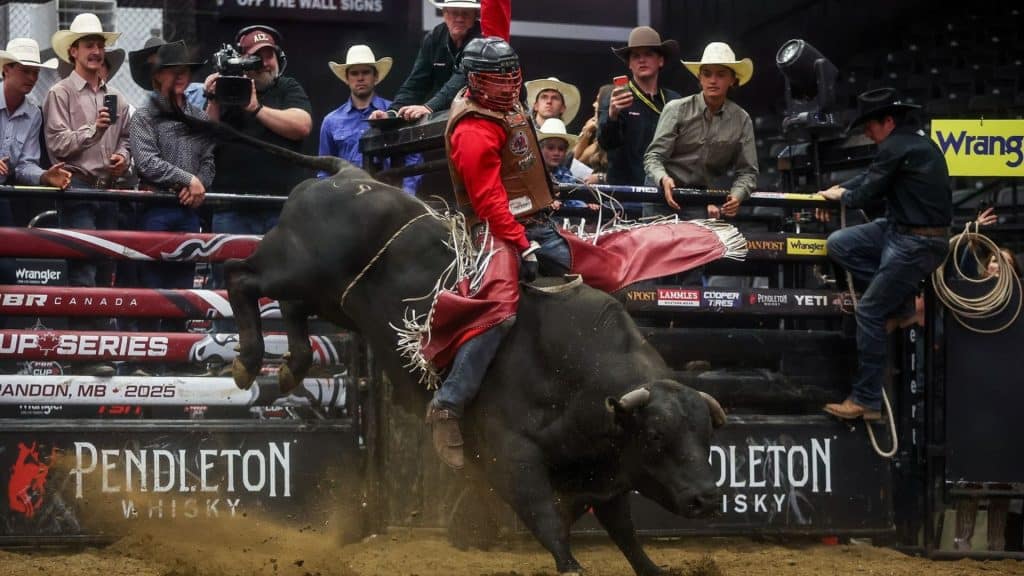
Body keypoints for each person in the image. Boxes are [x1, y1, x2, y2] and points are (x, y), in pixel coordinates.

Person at [428, 34, 569, 470]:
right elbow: (489, 202)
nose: (509, 83)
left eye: (511, 73)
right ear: (474, 79)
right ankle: (448, 405)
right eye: (497, 76)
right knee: (500, 310)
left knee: (581, 269)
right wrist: (522, 243)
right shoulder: (473, 127)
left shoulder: (503, 106)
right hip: (495, 229)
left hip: (535, 220)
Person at [819, 88, 952, 420]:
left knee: (869, 311)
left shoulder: (895, 147)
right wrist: (843, 190)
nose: (867, 132)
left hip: (916, 242)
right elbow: (870, 178)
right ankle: (903, 304)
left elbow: (868, 191)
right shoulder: (916, 144)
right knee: (840, 243)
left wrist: (840, 197)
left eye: (871, 125)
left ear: (888, 121)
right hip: (901, 232)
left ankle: (866, 400)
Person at [44, 13, 131, 375]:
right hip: (77, 186)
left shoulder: (117, 97)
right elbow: (57, 144)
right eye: (89, 45)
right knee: (83, 275)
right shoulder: (59, 93)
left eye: (100, 45)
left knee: (105, 272)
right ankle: (84, 355)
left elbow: (127, 137)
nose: (96, 51)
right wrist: (92, 133)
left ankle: (99, 351)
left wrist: (122, 159)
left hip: (106, 189)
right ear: (73, 51)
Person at [127, 39, 212, 333]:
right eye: (171, 70)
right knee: (152, 286)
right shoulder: (143, 116)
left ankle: (179, 355)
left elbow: (209, 162)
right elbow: (147, 163)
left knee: (182, 289)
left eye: (184, 71)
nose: (180, 77)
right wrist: (189, 180)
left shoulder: (200, 117)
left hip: (188, 210)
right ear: (156, 76)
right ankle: (147, 359)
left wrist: (199, 185)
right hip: (155, 209)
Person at [204, 24, 313, 234]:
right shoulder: (226, 87)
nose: (264, 63)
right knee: (231, 267)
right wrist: (213, 99)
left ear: (278, 59)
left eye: (269, 55)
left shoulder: (287, 87)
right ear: (242, 60)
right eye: (256, 57)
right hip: (231, 208)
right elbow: (204, 140)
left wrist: (256, 109)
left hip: (282, 208)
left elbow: (302, 125)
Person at [645, 41, 758, 219]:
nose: (713, 80)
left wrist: (737, 195)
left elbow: (748, 171)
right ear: (700, 78)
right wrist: (663, 178)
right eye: (707, 74)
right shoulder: (676, 109)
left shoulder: (741, 120)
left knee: (695, 246)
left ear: (732, 80)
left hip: (699, 198)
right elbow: (654, 157)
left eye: (720, 75)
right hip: (661, 194)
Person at [0, 38, 73, 296]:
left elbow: (24, 166)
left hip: (4, 197)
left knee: (9, 268)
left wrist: (44, 176)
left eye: (35, 72)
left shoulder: (33, 114)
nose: (32, 77)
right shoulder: (33, 113)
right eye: (25, 70)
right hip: (5, 197)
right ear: (6, 69)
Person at [319, 44, 420, 194]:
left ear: (376, 77)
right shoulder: (331, 121)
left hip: (388, 197)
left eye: (366, 72)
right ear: (347, 78)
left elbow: (414, 157)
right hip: (347, 198)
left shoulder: (393, 113)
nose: (360, 78)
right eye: (354, 73)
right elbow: (324, 170)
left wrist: (406, 194)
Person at [369, 0, 482, 122]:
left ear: (475, 16)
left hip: (476, 117)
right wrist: (392, 113)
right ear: (444, 13)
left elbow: (462, 79)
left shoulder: (482, 40)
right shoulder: (434, 38)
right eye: (454, 12)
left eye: (465, 13)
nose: (459, 18)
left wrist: (429, 107)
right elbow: (416, 83)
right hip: (443, 119)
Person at [598, 26, 680, 186]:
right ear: (629, 64)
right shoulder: (614, 97)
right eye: (636, 56)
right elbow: (606, 144)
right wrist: (612, 116)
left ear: (661, 60)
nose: (642, 60)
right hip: (625, 194)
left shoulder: (674, 100)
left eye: (648, 54)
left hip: (663, 191)